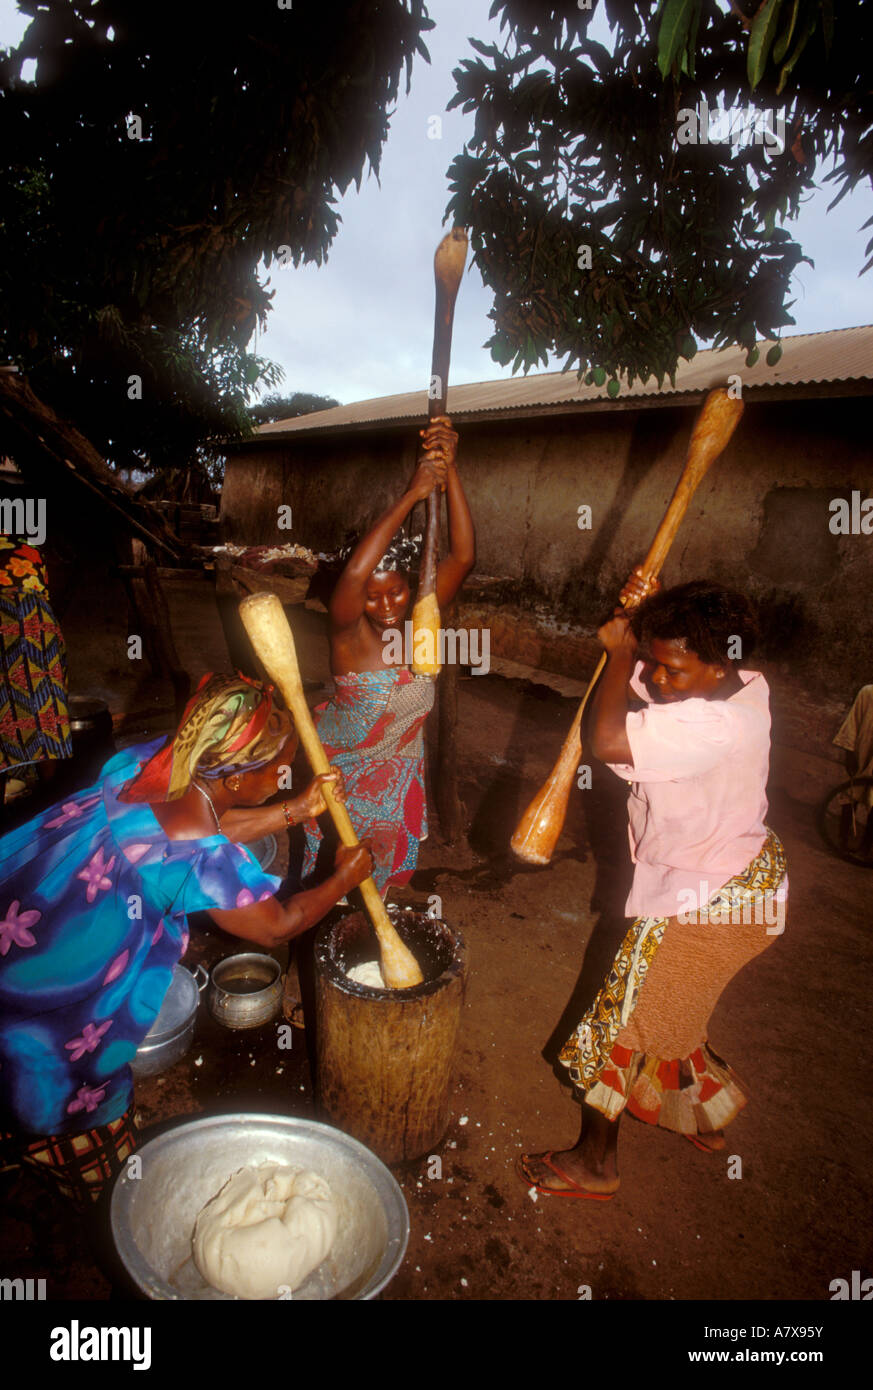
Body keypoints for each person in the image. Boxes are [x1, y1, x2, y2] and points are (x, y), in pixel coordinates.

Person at [0, 672, 371, 1208]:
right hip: (50, 991)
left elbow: (205, 821)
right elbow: (277, 924)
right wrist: (344, 879)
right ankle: (102, 1198)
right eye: (278, 770)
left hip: (29, 910)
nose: (285, 776)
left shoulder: (150, 764)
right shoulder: (199, 860)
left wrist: (294, 810)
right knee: (69, 1114)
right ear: (236, 779)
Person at [519, 572, 788, 1199]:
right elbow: (645, 685)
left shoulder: (717, 727)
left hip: (711, 905)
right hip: (741, 885)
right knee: (674, 1010)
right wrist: (632, 626)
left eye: (673, 669)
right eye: (654, 663)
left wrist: (618, 654)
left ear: (721, 663)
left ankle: (596, 1166)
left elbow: (607, 737)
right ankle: (703, 1118)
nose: (658, 679)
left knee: (619, 1025)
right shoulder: (740, 684)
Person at [302, 415, 474, 895]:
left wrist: (451, 470)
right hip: (343, 775)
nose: (386, 606)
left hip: (397, 775)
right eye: (374, 597)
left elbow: (462, 557)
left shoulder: (422, 617)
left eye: (396, 592)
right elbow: (355, 575)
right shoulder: (348, 632)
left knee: (381, 884)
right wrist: (412, 495)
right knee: (334, 878)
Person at [0, 534, 72, 809]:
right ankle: (50, 802)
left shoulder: (30, 553)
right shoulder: (32, 553)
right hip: (37, 625)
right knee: (46, 712)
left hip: (29, 621)